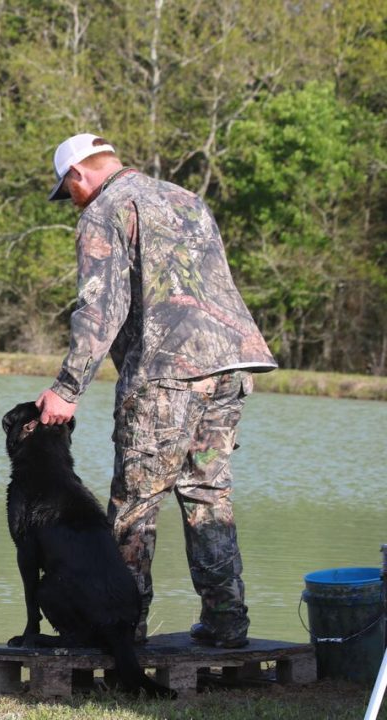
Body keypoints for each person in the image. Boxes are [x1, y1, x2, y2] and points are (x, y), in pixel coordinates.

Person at [33, 133, 277, 648]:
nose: (71, 201)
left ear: (79, 174)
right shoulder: (186, 198)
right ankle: (226, 622)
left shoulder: (105, 210)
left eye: (68, 190)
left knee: (136, 502)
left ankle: (122, 628)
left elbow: (101, 310)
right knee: (207, 494)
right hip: (233, 364)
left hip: (168, 372)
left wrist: (66, 388)